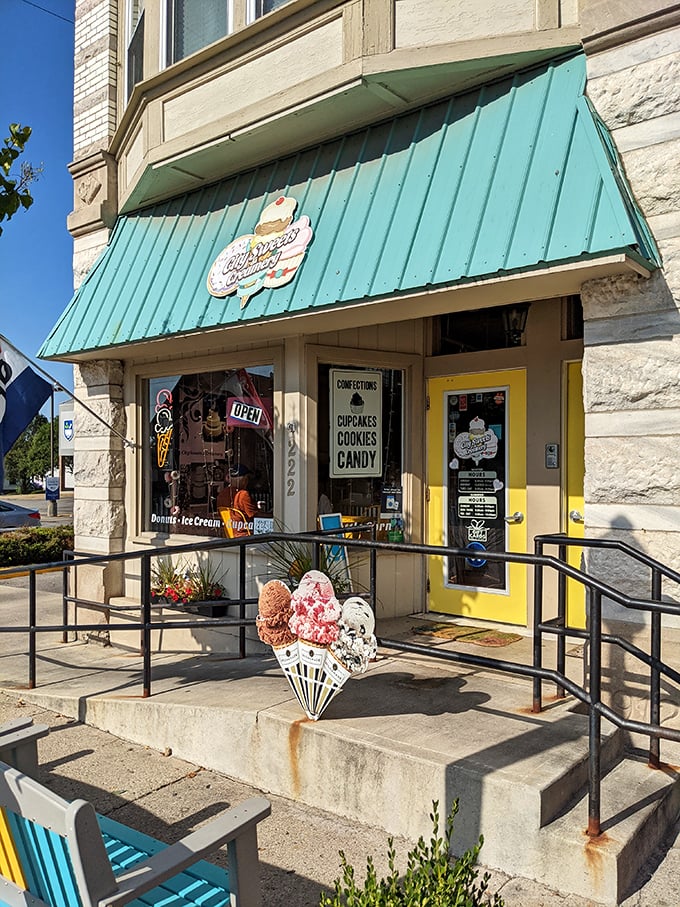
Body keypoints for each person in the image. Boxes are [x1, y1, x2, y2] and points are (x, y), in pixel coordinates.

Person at [217, 464, 258, 537]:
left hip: (228, 535)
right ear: (243, 479)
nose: (248, 481)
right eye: (247, 478)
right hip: (244, 535)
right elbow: (254, 516)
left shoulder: (222, 494)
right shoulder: (243, 494)